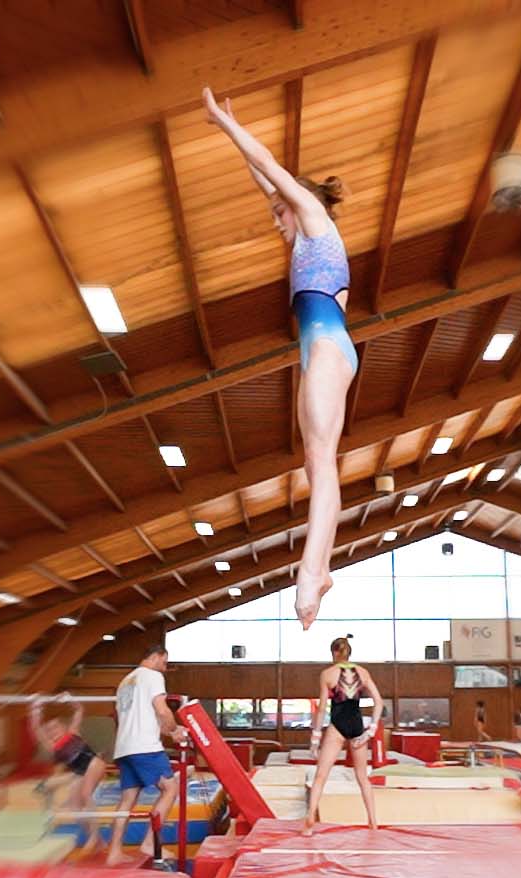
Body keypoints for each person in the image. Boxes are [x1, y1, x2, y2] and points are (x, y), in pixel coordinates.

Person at [204, 85, 353, 630]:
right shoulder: (305, 241)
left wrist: (225, 125)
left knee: (323, 460)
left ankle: (313, 572)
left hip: (328, 347)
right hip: (321, 347)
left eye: (277, 212)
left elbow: (271, 167)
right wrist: (240, 147)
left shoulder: (315, 219)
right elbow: (263, 176)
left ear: (298, 204)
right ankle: (319, 566)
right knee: (315, 463)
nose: (275, 220)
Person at [108, 645, 186, 866]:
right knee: (170, 789)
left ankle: (114, 852)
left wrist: (168, 733)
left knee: (127, 800)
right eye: (164, 662)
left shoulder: (126, 681)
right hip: (145, 747)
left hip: (124, 747)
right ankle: (151, 842)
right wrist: (175, 730)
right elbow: (162, 710)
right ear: (155, 657)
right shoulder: (152, 676)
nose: (165, 667)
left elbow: (143, 719)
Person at [303, 636, 381, 835]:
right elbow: (379, 702)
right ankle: (373, 822)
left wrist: (315, 738)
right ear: (349, 653)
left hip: (337, 725)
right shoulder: (363, 673)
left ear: (333, 653)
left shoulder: (327, 674)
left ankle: (310, 818)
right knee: (363, 777)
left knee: (321, 775)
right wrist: (371, 731)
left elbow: (322, 708)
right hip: (357, 725)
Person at [29, 698, 108, 814]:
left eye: (55, 727)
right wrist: (35, 709)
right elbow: (36, 728)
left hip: (94, 768)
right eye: (48, 730)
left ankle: (93, 829)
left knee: (85, 795)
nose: (52, 731)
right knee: (75, 805)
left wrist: (70, 699)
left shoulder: (72, 732)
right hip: (81, 773)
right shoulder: (51, 746)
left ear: (63, 727)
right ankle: (48, 791)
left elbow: (79, 710)